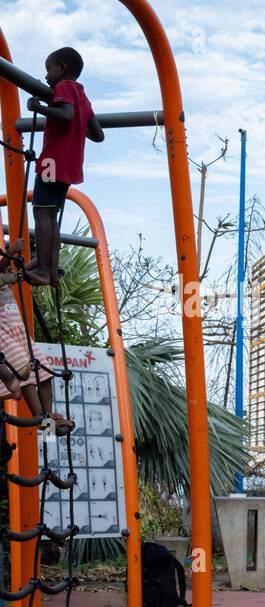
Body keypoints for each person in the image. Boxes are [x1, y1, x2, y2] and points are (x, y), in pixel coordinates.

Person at [25, 47, 103, 287]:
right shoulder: (82, 95)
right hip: (70, 165)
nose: (47, 76)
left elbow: (66, 115)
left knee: (41, 213)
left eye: (48, 69)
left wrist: (39, 108)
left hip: (51, 161)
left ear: (62, 68)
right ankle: (49, 268)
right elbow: (98, 134)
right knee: (51, 216)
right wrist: (79, 129)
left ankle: (45, 269)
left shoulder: (63, 88)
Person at [0, 261, 75, 435]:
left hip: (20, 332)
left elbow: (23, 269)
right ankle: (39, 415)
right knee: (23, 372)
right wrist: (11, 251)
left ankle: (48, 419)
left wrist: (44, 257)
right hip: (4, 335)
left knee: (44, 371)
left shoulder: (7, 281)